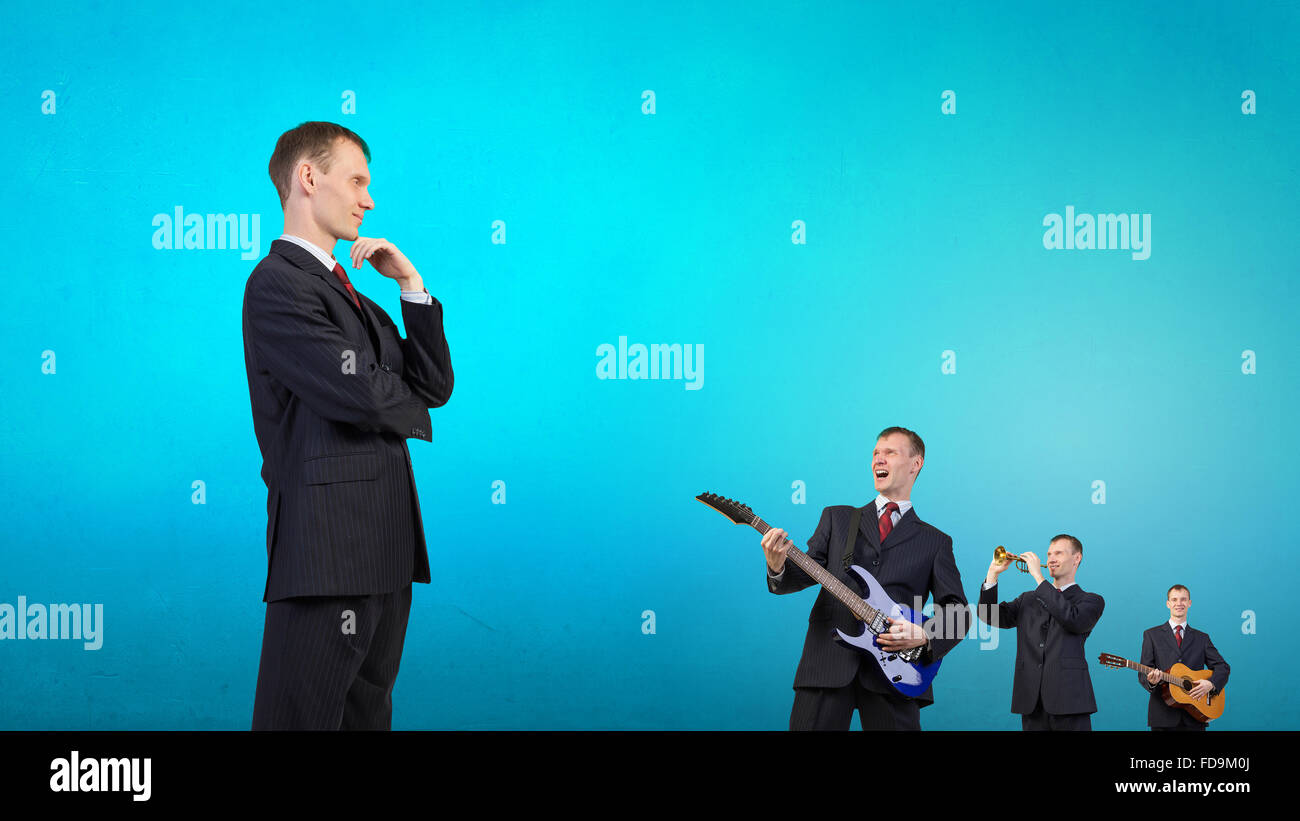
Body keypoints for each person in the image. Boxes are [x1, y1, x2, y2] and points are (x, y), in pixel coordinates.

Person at [242, 121, 454, 729]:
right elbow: (360, 394)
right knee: (300, 719)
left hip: (386, 552)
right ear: (309, 177)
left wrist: (411, 289)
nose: (369, 199)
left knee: (367, 718)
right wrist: (393, 394)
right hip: (326, 555)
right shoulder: (276, 284)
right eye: (357, 180)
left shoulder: (358, 299)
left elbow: (432, 387)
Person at [761, 426, 968, 730]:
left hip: (898, 674)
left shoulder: (936, 541)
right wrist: (777, 566)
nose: (878, 460)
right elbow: (804, 574)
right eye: (875, 453)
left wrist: (925, 635)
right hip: (827, 664)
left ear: (916, 464)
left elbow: (959, 613)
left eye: (890, 453)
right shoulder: (838, 517)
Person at [977, 534, 1104, 730]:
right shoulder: (1028, 599)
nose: (1051, 559)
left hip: (1070, 700)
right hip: (1031, 701)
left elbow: (1074, 620)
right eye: (1049, 554)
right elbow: (989, 616)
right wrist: (992, 574)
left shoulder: (1091, 600)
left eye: (1059, 553)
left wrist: (1039, 577)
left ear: (1077, 558)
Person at [1138, 585, 1230, 730]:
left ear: (1189, 603)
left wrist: (1211, 684)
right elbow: (1143, 673)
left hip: (1195, 716)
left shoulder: (1202, 638)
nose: (1179, 603)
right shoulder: (1151, 635)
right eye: (1174, 599)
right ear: (1168, 604)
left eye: (1183, 599)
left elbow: (1223, 667)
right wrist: (1151, 682)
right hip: (1163, 717)